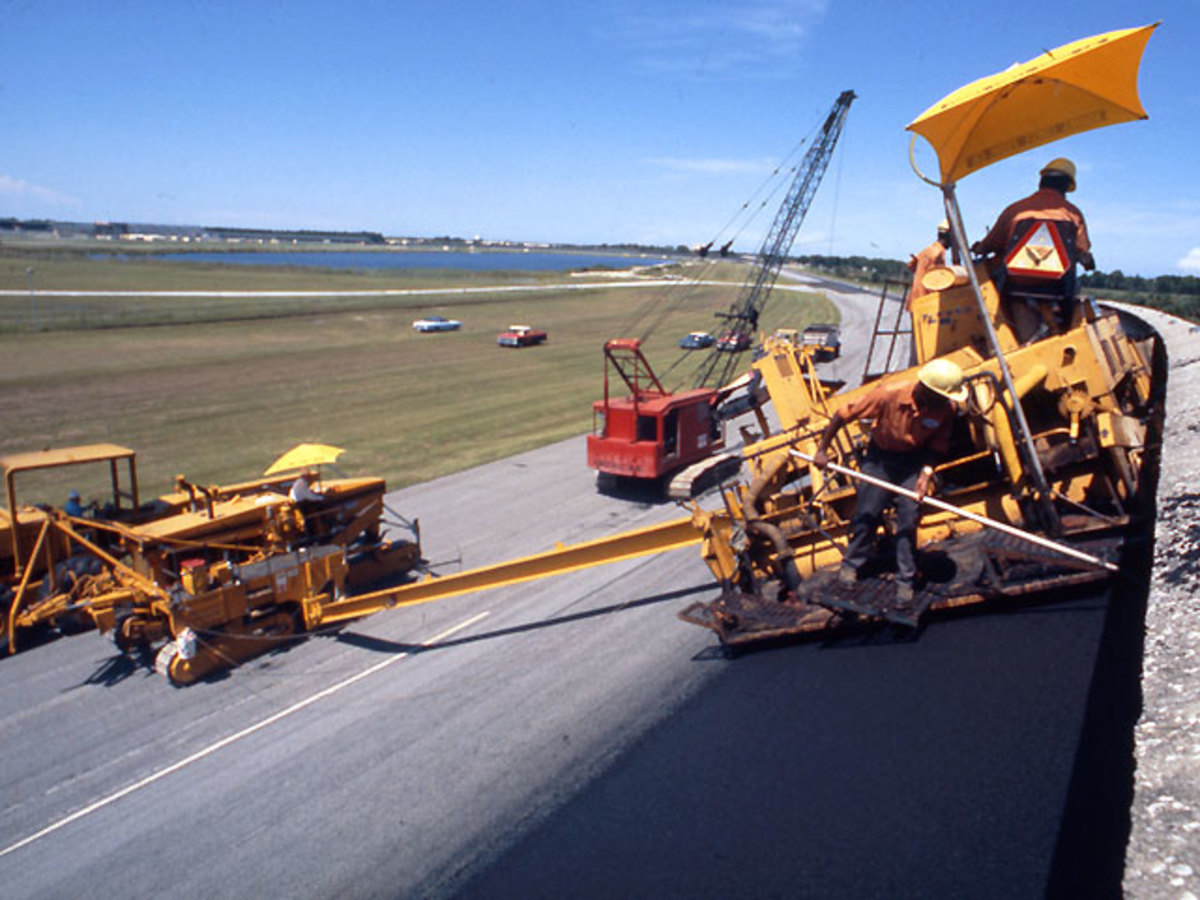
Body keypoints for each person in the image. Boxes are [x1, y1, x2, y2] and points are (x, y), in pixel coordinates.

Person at [812, 358, 968, 606]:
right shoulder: (888, 395)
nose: (945, 402)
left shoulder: (944, 409)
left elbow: (938, 445)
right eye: (941, 397)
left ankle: (905, 580)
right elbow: (843, 414)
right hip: (880, 460)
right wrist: (822, 450)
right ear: (927, 390)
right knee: (867, 512)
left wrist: (925, 475)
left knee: (908, 517)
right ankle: (851, 565)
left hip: (914, 464)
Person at [906, 220, 952, 311]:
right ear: (948, 236)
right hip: (924, 304)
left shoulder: (928, 250)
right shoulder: (938, 254)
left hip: (915, 301)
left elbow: (911, 265)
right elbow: (936, 283)